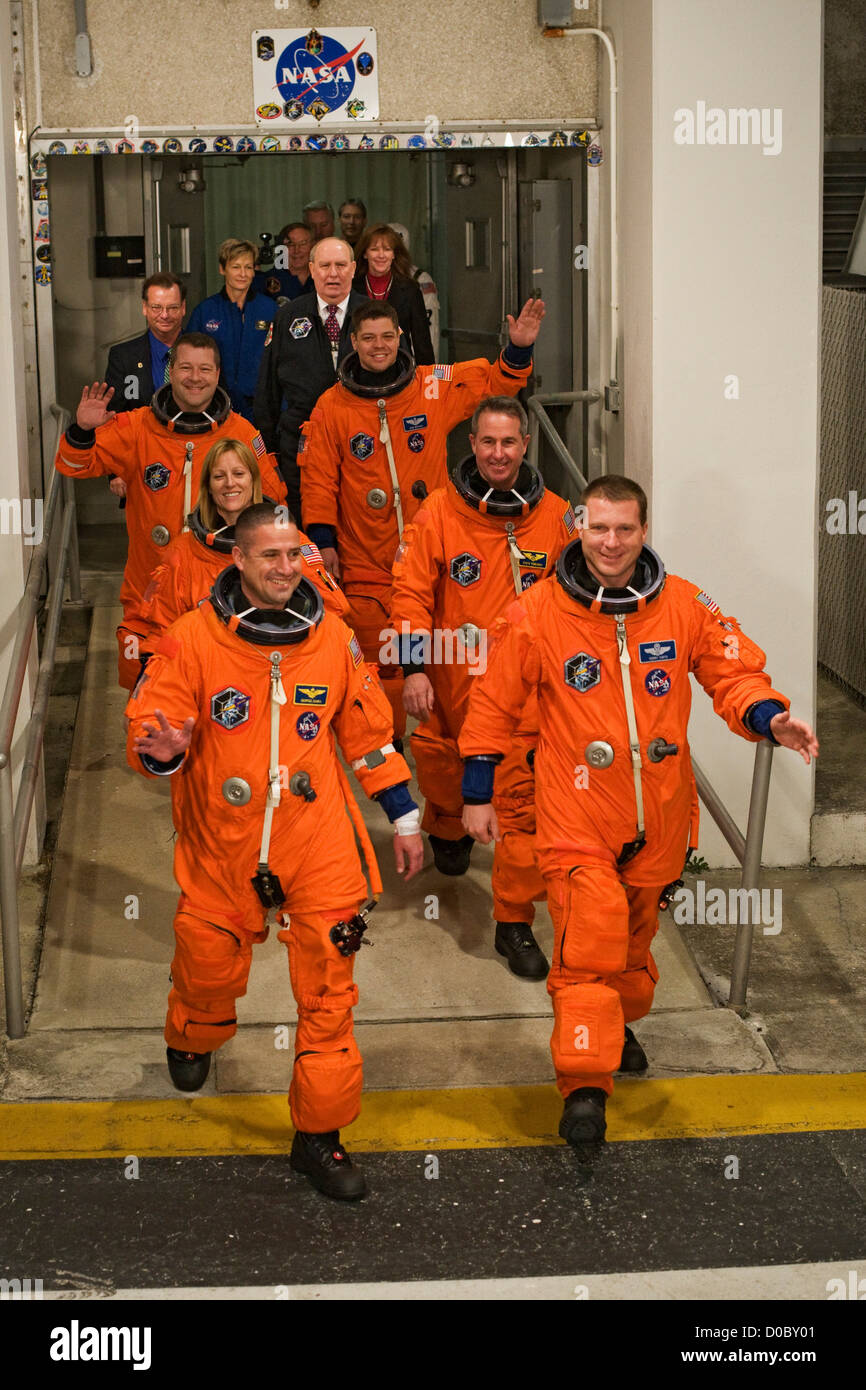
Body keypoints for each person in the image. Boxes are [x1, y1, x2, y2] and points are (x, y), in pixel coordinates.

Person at [458, 475, 819, 1160]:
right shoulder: (535, 614)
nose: (612, 543)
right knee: (588, 946)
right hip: (576, 815)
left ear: (644, 531)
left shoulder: (681, 605)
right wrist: (477, 792)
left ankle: (614, 1021)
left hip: (657, 819)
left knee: (630, 949)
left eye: (625, 529)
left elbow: (731, 672)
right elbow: (494, 705)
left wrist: (770, 717)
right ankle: (585, 1088)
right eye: (599, 529)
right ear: (578, 529)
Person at [126, 502, 424, 1200]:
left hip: (316, 840)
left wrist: (405, 816)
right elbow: (151, 723)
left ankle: (320, 1137)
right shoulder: (190, 639)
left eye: (294, 556)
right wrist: (162, 752)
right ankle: (195, 1032)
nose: (286, 569)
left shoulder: (334, 639)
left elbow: (369, 734)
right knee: (206, 960)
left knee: (330, 991)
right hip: (222, 842)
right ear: (238, 558)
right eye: (270, 557)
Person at [389, 397, 574, 976]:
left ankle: (513, 923)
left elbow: (577, 595)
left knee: (522, 812)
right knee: (446, 769)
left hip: (527, 694)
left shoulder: (559, 516)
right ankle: (446, 819)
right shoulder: (439, 514)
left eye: (509, 443)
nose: (499, 453)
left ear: (525, 445)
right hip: (451, 678)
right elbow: (410, 594)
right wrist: (414, 667)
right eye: (488, 442)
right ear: (472, 444)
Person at [299, 297, 545, 731]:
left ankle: (455, 738)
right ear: (352, 342)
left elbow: (493, 383)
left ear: (402, 339)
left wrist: (519, 349)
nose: (379, 346)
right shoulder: (331, 406)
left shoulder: (431, 386)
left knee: (446, 657)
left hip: (436, 556)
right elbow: (319, 479)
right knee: (381, 664)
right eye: (369, 338)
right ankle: (385, 747)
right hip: (366, 560)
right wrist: (323, 542)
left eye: (388, 337)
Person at [55, 333, 286, 688]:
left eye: (205, 369)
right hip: (148, 597)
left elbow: (276, 506)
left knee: (220, 703)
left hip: (220, 596)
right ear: (171, 371)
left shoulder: (240, 432)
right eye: (186, 368)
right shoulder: (137, 427)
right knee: (147, 703)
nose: (196, 377)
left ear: (217, 373)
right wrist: (82, 430)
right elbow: (73, 464)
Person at [142, 438, 348, 644]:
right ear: (209, 487)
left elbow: (331, 611)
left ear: (253, 480)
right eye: (219, 476)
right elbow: (162, 633)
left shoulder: (290, 540)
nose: (230, 483)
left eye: (239, 474)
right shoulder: (182, 552)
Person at [253, 237, 367, 526]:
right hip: (299, 448)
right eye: (325, 265)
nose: (333, 273)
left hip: (362, 446)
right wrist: (269, 453)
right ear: (313, 269)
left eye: (341, 265)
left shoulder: (375, 316)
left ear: (353, 269)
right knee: (306, 531)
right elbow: (267, 390)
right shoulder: (288, 316)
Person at [187, 239, 276, 423]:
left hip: (260, 408)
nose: (243, 274)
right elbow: (188, 359)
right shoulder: (205, 312)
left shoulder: (270, 310)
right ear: (222, 269)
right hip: (215, 407)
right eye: (236, 267)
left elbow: (282, 360)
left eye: (248, 267)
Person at [104, 272, 187, 416]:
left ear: (183, 307)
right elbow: (115, 415)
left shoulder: (204, 352)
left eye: (172, 307)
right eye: (156, 307)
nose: (165, 315)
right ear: (144, 307)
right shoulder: (123, 356)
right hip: (139, 437)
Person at [353, 223, 434, 366]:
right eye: (374, 249)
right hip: (359, 369)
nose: (381, 255)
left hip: (400, 369)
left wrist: (428, 380)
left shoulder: (410, 289)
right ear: (365, 253)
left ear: (394, 254)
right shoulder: (351, 287)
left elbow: (422, 343)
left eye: (387, 249)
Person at [389, 222, 440, 360]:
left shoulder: (420, 279)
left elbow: (430, 330)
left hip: (410, 360)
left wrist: (429, 372)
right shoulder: (368, 280)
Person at [254, 222, 313, 302]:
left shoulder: (322, 279)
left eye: (303, 243)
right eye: (290, 244)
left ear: (312, 246)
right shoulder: (267, 280)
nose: (297, 250)